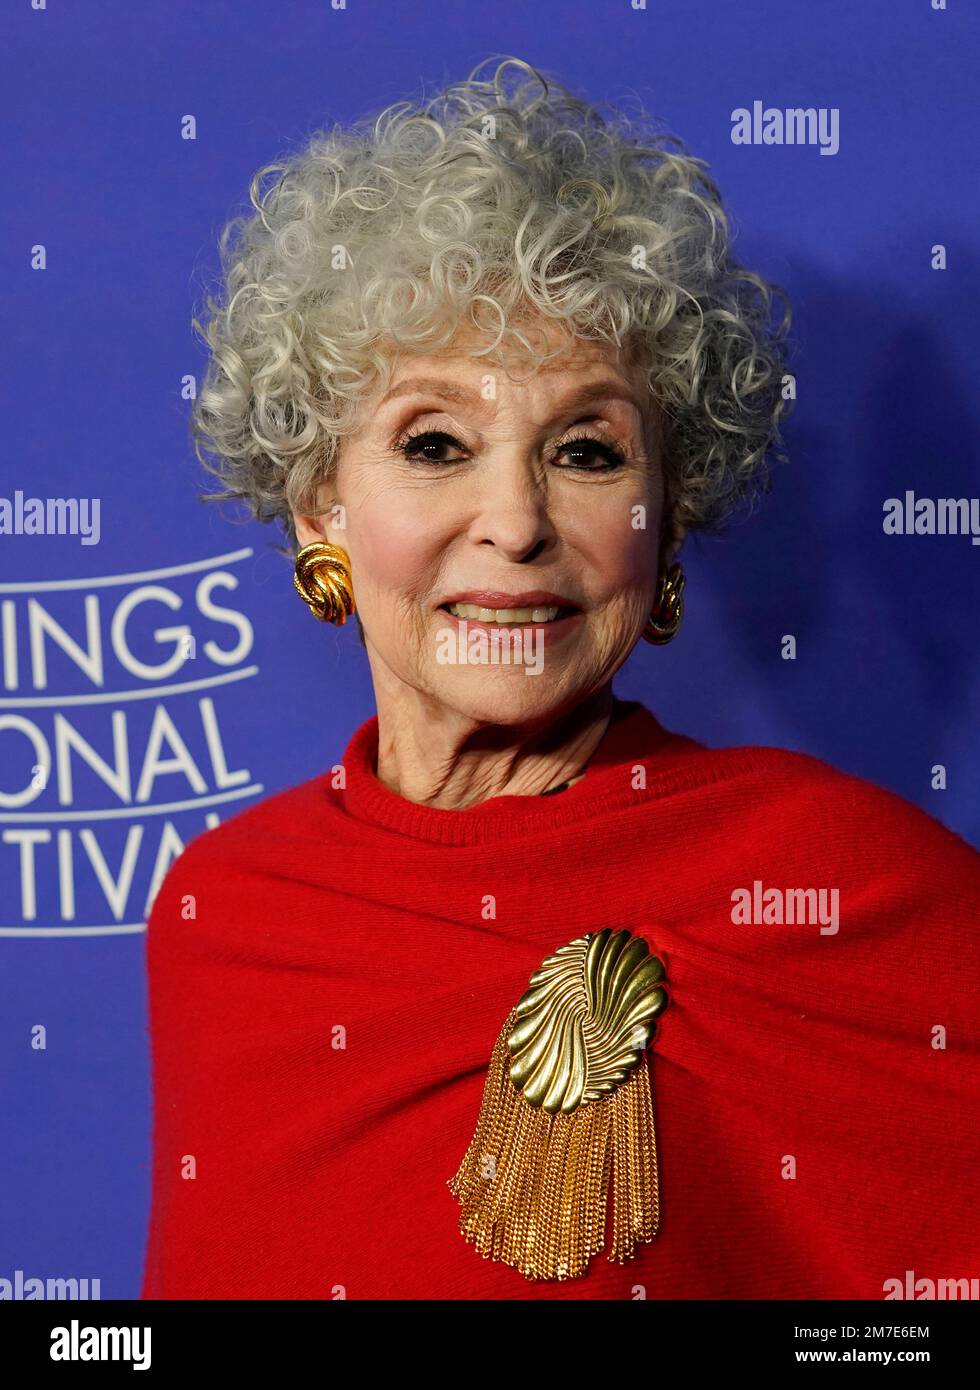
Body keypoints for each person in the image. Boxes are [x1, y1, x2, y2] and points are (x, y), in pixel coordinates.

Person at [141, 56, 980, 1300]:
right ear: (321, 504)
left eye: (585, 449)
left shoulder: (854, 884)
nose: (514, 523)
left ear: (667, 516)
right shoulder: (222, 916)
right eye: (434, 445)